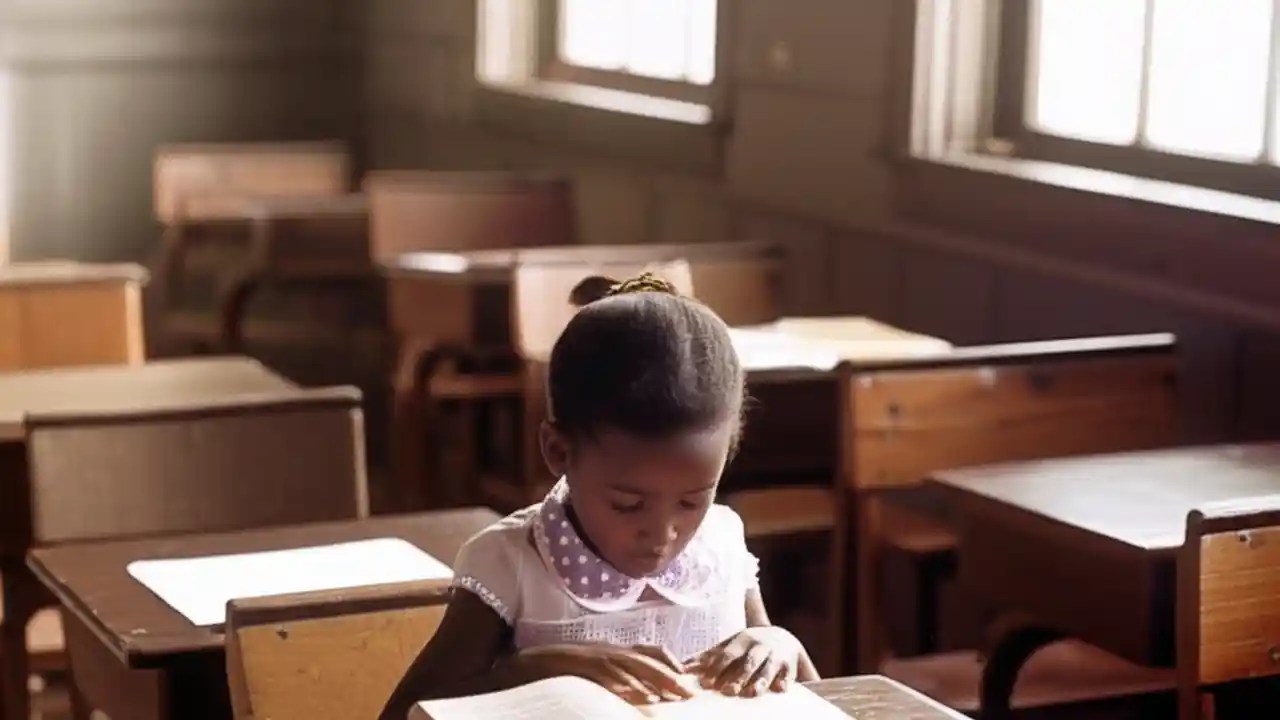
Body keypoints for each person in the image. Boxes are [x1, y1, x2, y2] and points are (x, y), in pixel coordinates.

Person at [380, 273, 818, 719]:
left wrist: (780, 643)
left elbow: (813, 698)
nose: (661, 533)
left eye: (692, 501)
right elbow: (403, 714)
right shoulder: (513, 563)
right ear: (558, 451)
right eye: (627, 504)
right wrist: (532, 669)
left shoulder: (720, 544)